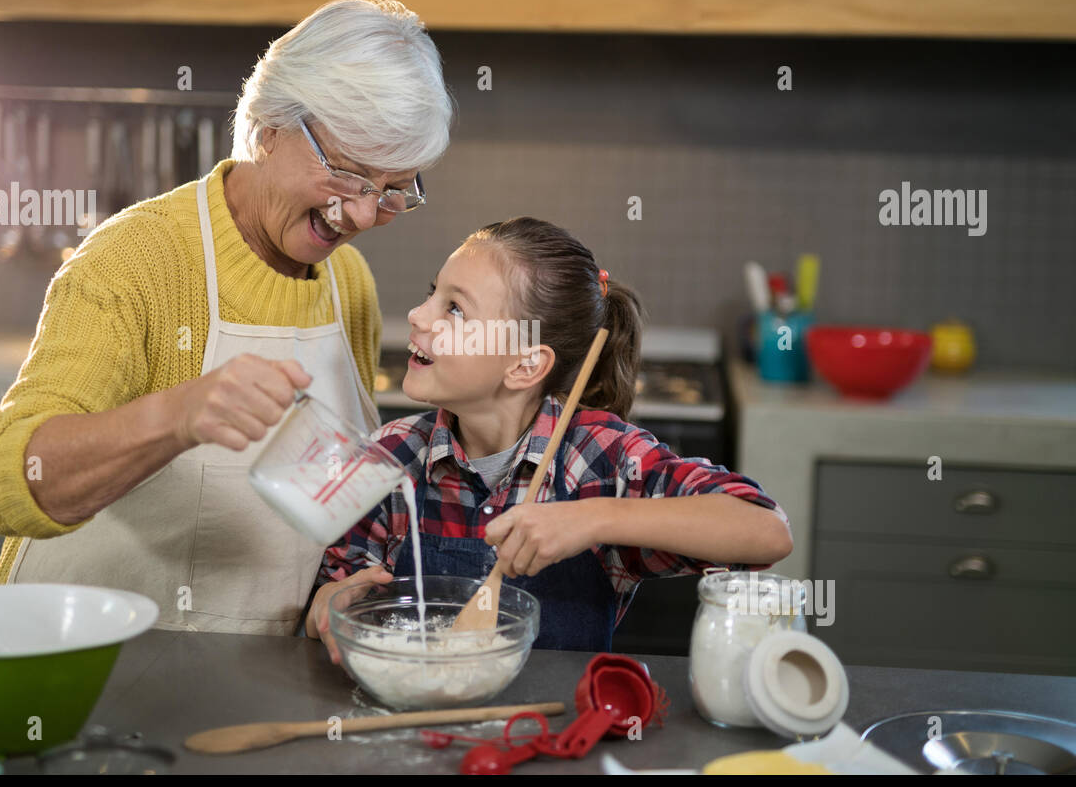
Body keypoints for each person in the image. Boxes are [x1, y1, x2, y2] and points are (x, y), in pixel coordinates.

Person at [0, 0, 454, 634]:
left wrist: (330, 594)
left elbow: (312, 513)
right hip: (79, 665)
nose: (362, 217)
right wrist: (179, 415)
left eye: (393, 192)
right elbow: (7, 480)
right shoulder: (136, 260)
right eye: (347, 175)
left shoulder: (349, 286)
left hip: (245, 684)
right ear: (268, 131)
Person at [307, 217, 793, 655]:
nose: (417, 314)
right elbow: (339, 593)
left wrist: (593, 518)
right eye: (433, 293)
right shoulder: (390, 456)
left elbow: (765, 531)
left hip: (560, 739)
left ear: (525, 365)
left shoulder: (599, 457)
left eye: (454, 309)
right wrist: (331, 603)